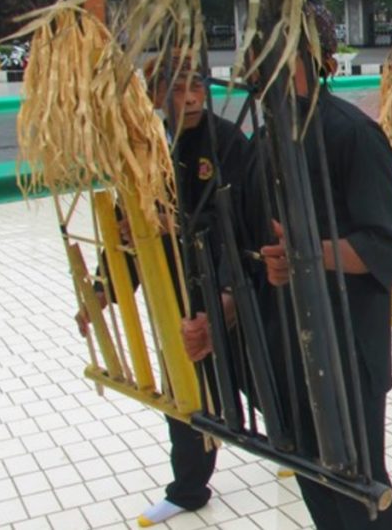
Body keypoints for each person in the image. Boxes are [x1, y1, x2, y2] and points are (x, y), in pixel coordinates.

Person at [246, 9, 392, 529]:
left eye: (265, 50)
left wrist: (308, 255)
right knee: (312, 473)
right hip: (288, 340)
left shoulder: (352, 135)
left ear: (306, 57)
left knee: (360, 482)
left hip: (348, 342)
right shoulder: (263, 138)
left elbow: (387, 245)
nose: (252, 63)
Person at [76, 55, 249, 527]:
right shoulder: (144, 150)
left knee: (260, 373)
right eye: (177, 90)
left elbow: (243, 215)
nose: (191, 98)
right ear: (154, 96)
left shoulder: (228, 142)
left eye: (197, 87)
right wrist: (101, 293)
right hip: (176, 292)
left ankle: (295, 450)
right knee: (185, 387)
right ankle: (189, 488)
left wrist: (182, 227)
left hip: (230, 289)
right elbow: (129, 231)